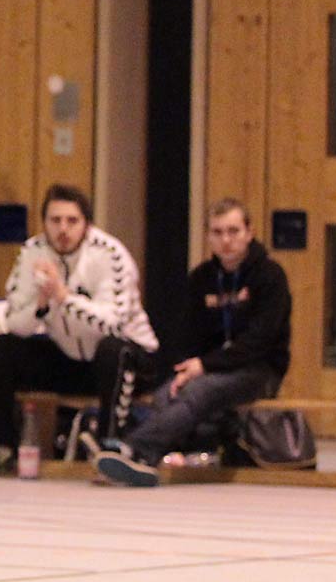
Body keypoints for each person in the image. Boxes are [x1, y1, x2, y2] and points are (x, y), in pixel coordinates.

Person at [0, 183, 159, 477]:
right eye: (55, 221)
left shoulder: (110, 255)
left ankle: (112, 448)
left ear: (86, 225)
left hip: (129, 359)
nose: (63, 229)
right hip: (70, 358)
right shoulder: (32, 252)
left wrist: (63, 297)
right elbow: (15, 323)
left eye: (72, 221)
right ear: (45, 224)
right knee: (0, 348)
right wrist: (41, 304)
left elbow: (113, 323)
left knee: (112, 350)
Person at [96, 198, 292, 486]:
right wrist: (186, 369)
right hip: (208, 368)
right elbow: (187, 335)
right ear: (209, 236)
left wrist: (205, 366)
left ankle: (134, 450)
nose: (226, 240)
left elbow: (260, 340)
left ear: (249, 233)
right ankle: (153, 461)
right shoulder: (201, 279)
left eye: (234, 231)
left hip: (259, 369)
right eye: (218, 232)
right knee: (167, 395)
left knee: (200, 392)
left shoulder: (270, 276)